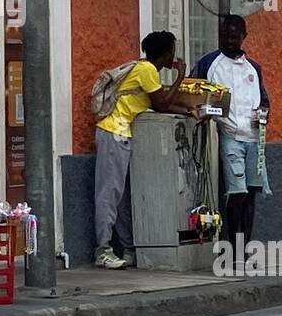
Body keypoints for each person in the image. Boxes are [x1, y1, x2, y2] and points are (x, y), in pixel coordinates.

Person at [93, 31, 194, 270]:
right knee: (109, 195)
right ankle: (103, 250)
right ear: (166, 53)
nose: (175, 56)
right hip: (113, 133)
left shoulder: (146, 71)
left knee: (122, 196)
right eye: (173, 51)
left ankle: (128, 248)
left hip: (121, 134)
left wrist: (190, 111)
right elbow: (162, 104)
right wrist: (180, 76)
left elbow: (160, 103)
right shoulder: (147, 70)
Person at [193, 14, 271, 266]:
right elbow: (194, 93)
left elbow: (264, 100)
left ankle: (245, 247)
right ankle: (233, 248)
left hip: (254, 139)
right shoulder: (210, 64)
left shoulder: (253, 68)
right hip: (228, 137)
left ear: (244, 37)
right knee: (235, 194)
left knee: (251, 195)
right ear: (220, 35)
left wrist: (263, 113)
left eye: (235, 36)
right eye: (226, 35)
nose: (230, 40)